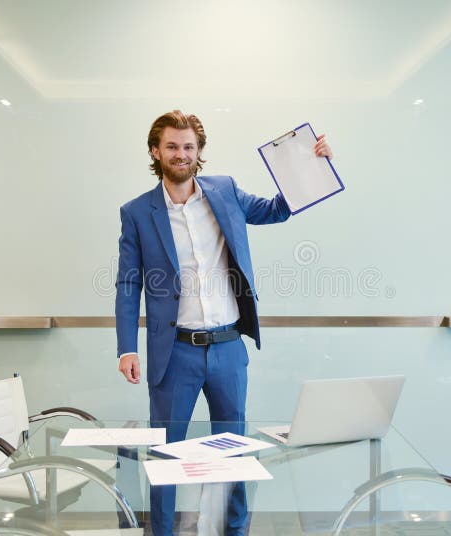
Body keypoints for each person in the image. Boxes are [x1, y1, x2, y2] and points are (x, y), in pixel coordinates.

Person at [115, 110, 332, 535]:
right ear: (156, 152)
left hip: (229, 348)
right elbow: (128, 283)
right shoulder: (137, 213)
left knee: (234, 453)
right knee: (167, 456)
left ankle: (235, 533)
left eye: (189, 147)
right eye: (173, 146)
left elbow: (275, 210)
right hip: (173, 353)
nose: (182, 154)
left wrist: (311, 166)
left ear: (199, 152)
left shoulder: (225, 190)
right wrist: (126, 347)